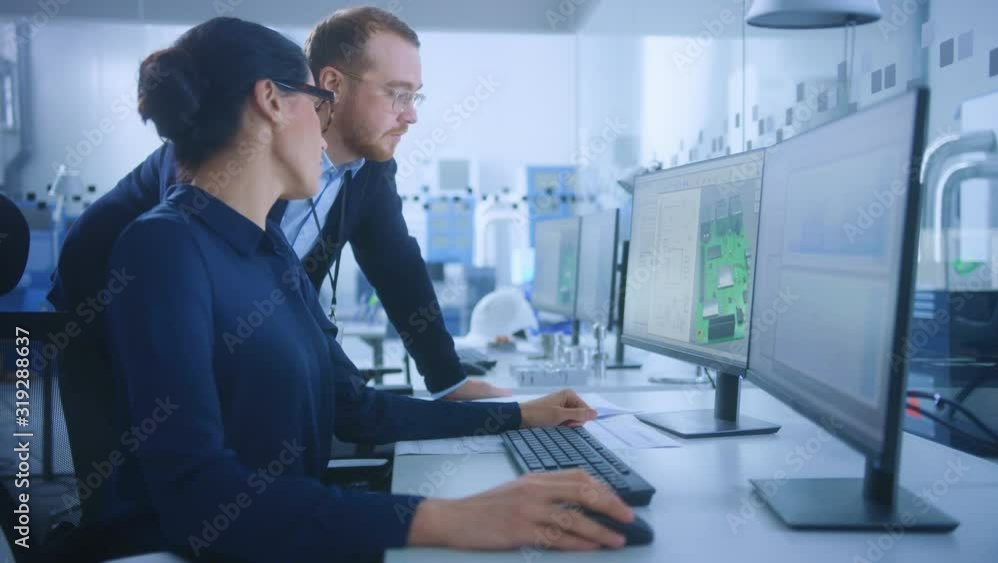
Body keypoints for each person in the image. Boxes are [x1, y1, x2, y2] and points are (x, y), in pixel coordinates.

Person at [98, 17, 635, 562]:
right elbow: (197, 497)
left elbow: (360, 409)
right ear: (272, 102)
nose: (324, 127)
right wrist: (445, 519)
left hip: (279, 534)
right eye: (316, 103)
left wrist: (520, 415)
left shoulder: (273, 253)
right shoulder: (165, 246)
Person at [48, 6, 508, 401]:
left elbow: (397, 268)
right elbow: (197, 260)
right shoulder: (229, 147)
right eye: (397, 93)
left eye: (415, 96)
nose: (411, 115)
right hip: (102, 307)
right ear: (332, 83)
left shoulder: (368, 169)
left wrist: (448, 380)